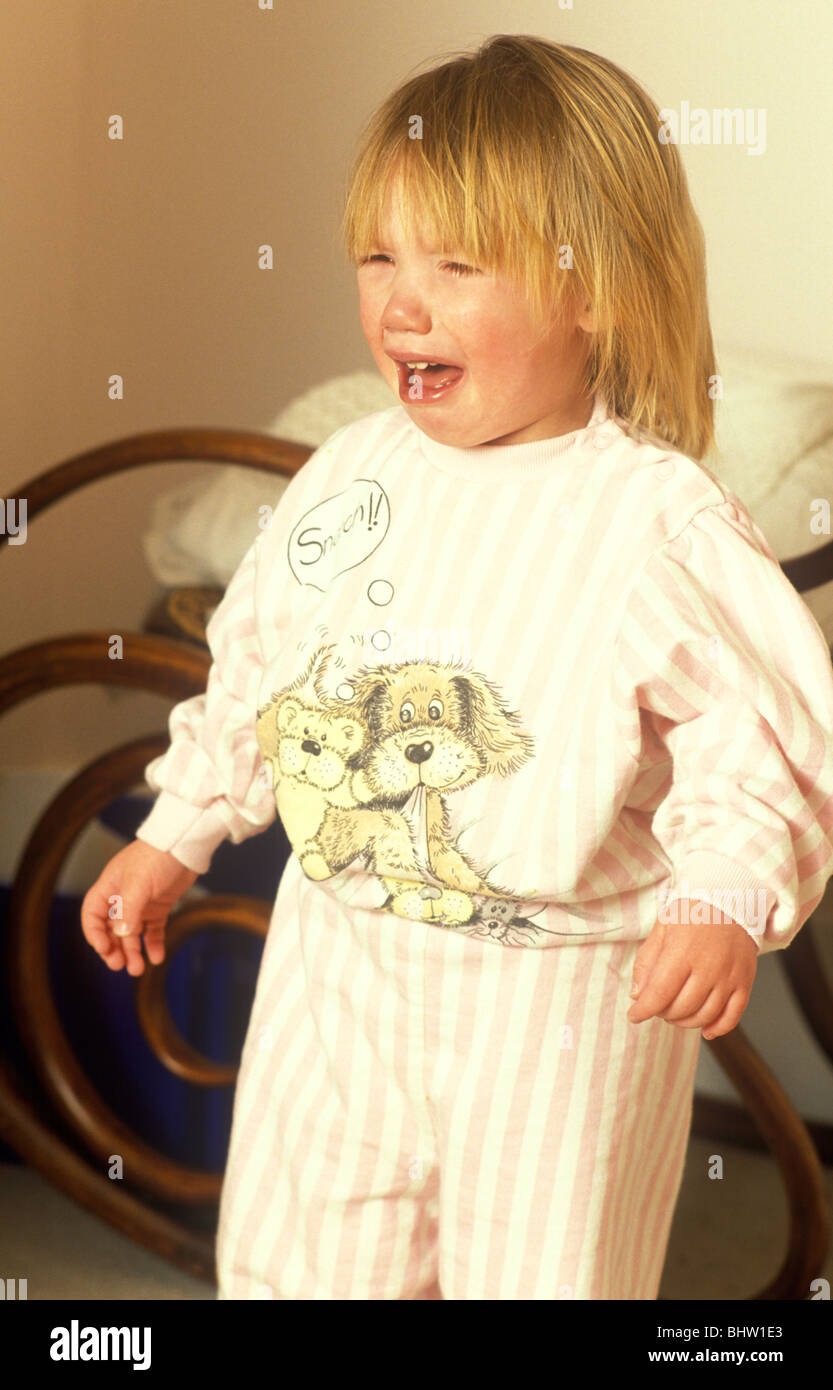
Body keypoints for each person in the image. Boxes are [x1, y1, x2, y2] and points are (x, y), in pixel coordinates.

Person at [81, 35, 833, 1300]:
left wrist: (716, 888)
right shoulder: (349, 475)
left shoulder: (654, 520)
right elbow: (263, 671)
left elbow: (755, 736)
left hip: (555, 998)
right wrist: (179, 829)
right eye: (378, 255)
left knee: (545, 1273)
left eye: (455, 263)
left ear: (593, 288)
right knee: (305, 1259)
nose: (399, 302)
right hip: (337, 966)